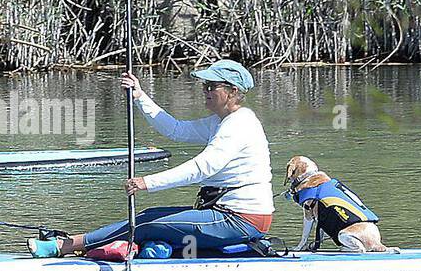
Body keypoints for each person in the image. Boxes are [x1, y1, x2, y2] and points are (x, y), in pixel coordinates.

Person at [28, 59, 274, 258]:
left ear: (232, 91)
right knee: (151, 215)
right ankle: (153, 248)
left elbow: (203, 168)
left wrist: (148, 182)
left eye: (212, 86)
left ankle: (65, 246)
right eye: (204, 86)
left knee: (144, 223)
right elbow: (175, 130)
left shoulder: (240, 124)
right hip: (223, 214)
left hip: (240, 220)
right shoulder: (219, 122)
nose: (206, 91)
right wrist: (139, 96)